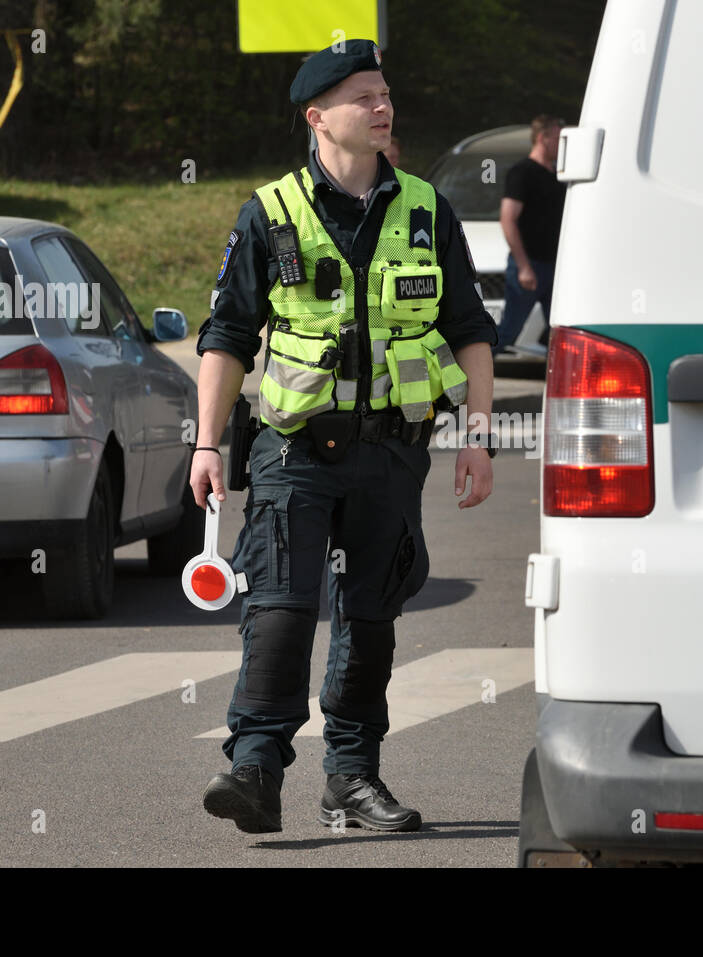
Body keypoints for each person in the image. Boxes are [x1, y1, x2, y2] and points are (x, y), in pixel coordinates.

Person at [192, 39, 498, 835]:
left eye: (385, 92)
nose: (382, 105)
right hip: (294, 448)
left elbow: (469, 329)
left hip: (390, 449)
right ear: (318, 116)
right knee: (283, 608)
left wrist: (479, 433)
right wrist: (204, 444)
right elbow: (227, 335)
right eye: (364, 95)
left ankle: (352, 778)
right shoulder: (272, 212)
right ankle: (255, 767)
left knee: (370, 616)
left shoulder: (427, 209)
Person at [494, 114, 565, 354]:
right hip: (529, 265)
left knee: (562, 329)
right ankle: (471, 383)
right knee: (508, 332)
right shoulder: (522, 172)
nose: (561, 144)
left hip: (555, 267)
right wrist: (524, 266)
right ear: (543, 138)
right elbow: (508, 219)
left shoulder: (559, 176)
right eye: (558, 138)